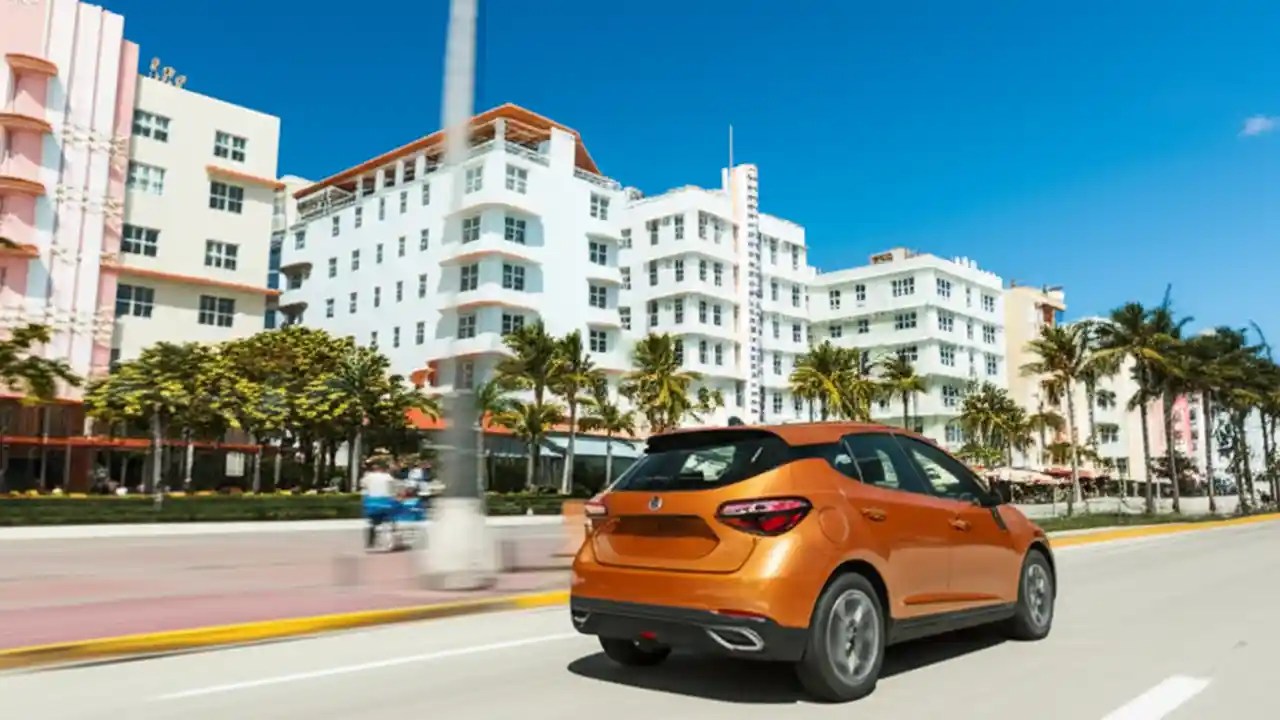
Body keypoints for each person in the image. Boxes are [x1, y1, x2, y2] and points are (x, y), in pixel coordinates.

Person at [360, 457, 400, 550]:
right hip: (386, 502)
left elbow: (364, 488)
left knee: (373, 523)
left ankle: (370, 542)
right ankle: (390, 542)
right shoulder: (388, 477)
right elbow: (393, 491)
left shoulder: (367, 477)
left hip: (372, 502)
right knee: (389, 522)